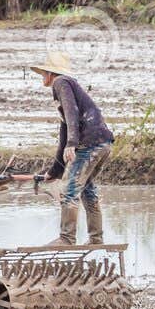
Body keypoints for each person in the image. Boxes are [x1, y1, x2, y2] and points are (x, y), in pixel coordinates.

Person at [29, 50, 114, 246]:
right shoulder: (68, 87)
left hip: (89, 144)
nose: (42, 76)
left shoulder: (61, 83)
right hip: (103, 143)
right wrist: (55, 170)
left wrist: (73, 144)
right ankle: (96, 239)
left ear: (50, 73)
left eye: (43, 73)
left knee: (69, 191)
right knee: (87, 190)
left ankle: (67, 239)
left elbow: (72, 113)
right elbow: (65, 129)